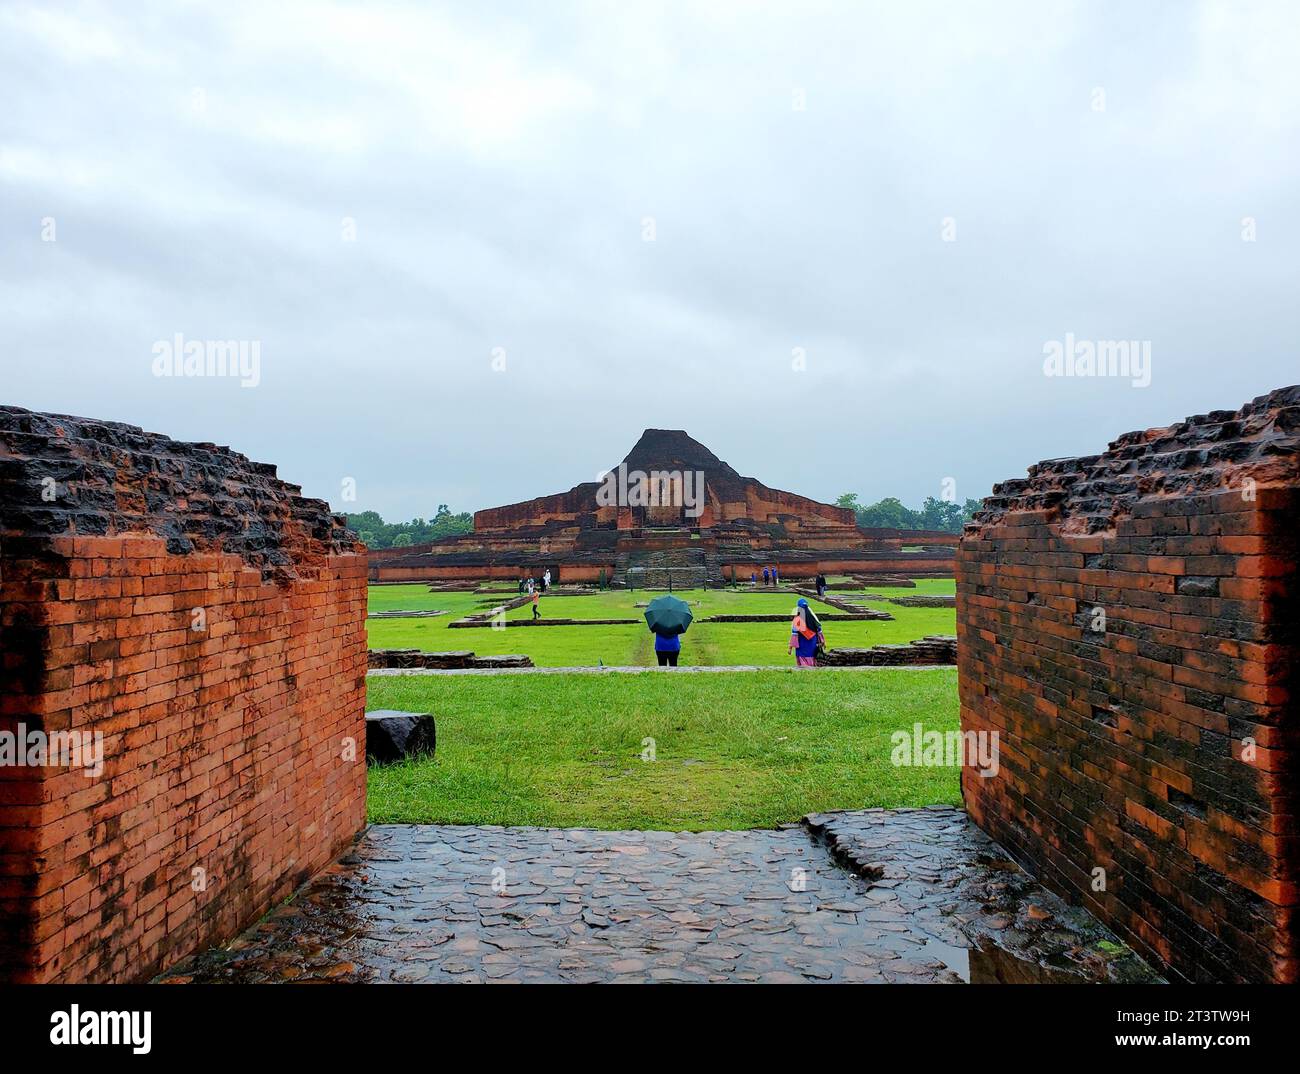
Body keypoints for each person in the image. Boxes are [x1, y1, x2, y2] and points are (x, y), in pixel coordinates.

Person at [789, 597, 824, 668]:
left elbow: (794, 635)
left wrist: (790, 648)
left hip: (802, 644)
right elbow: (819, 631)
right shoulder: (813, 619)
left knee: (803, 663)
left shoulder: (797, 620)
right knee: (812, 658)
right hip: (812, 643)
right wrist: (822, 642)